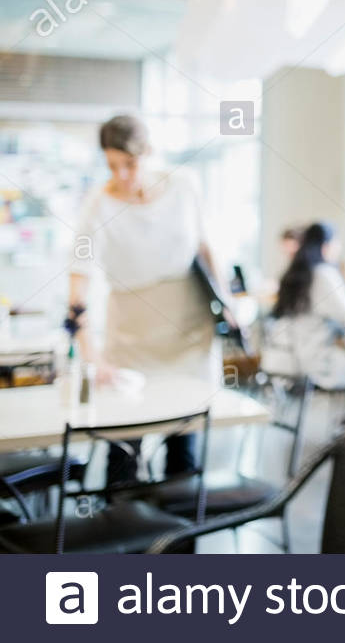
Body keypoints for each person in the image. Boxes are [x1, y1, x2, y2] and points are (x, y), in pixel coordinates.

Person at [67, 114, 226, 480]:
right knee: (123, 455)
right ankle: (122, 533)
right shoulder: (98, 205)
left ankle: (178, 537)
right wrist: (93, 358)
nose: (122, 175)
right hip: (130, 345)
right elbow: (78, 288)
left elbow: (206, 249)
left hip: (190, 338)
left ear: (150, 152)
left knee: (183, 456)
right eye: (112, 165)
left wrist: (227, 306)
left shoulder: (184, 185)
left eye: (130, 163)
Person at [261, 222, 345, 392]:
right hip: (312, 359)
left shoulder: (295, 273)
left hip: (282, 354)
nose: (338, 249)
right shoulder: (324, 274)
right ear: (326, 246)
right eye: (337, 243)